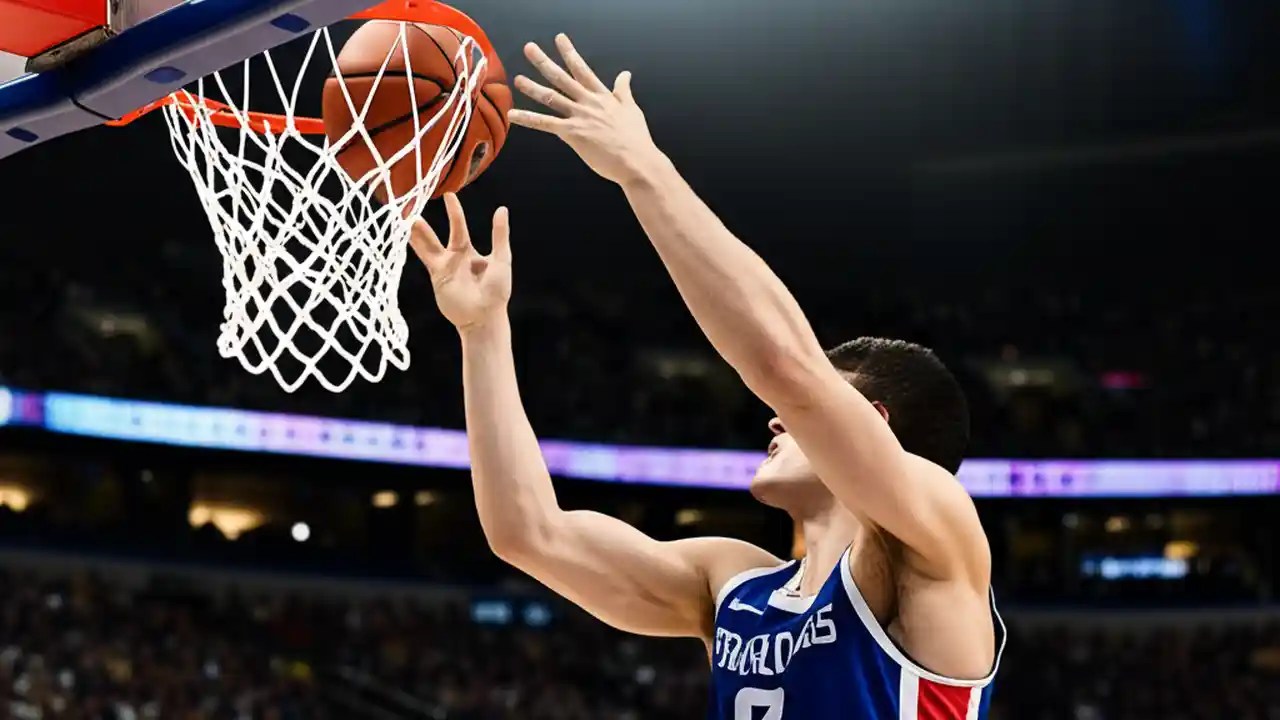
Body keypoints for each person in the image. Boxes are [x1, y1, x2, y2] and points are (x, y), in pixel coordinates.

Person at [408, 34, 1004, 720]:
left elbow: (787, 368)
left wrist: (645, 172)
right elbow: (528, 534)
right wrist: (483, 332)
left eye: (815, 405)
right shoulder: (734, 583)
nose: (775, 420)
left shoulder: (934, 534)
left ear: (872, 420)